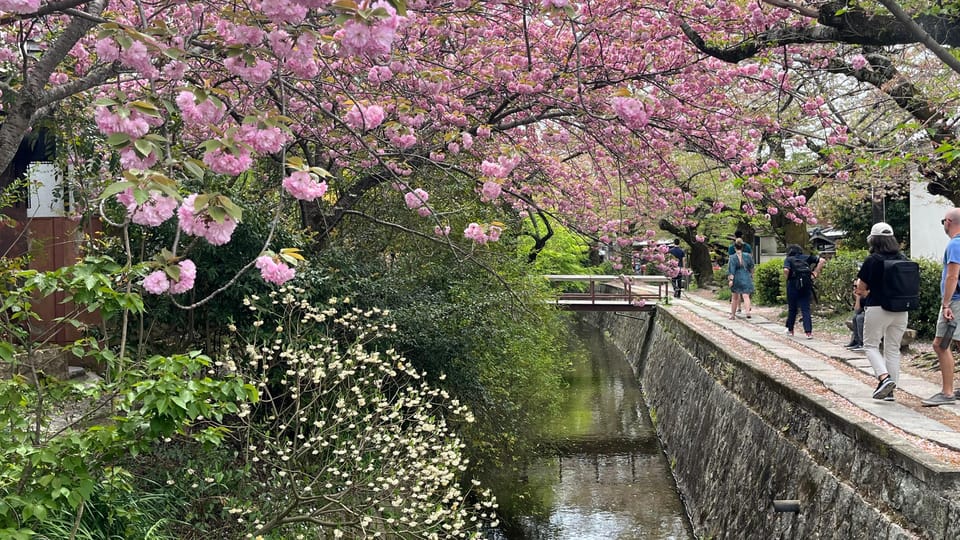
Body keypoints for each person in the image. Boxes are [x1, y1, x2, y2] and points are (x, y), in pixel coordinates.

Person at [856, 222, 908, 401]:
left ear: (873, 240)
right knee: (892, 348)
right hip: (901, 310)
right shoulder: (903, 258)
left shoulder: (873, 260)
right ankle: (890, 392)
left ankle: (884, 379)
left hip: (878, 307)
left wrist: (863, 292)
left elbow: (861, 288)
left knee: (870, 345)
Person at [922, 208, 960, 406]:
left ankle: (947, 392)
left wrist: (946, 303)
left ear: (948, 222)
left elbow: (953, 275)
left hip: (956, 300)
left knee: (940, 344)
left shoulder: (955, 244)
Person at [783, 244, 825, 339]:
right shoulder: (807, 257)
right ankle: (808, 332)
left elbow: (786, 270)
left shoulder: (789, 259)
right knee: (805, 309)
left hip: (793, 284)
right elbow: (822, 260)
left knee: (792, 308)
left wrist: (788, 278)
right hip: (806, 284)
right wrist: (815, 272)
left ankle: (790, 330)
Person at [727, 238, 755, 319]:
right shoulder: (748, 256)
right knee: (746, 295)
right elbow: (752, 267)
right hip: (746, 276)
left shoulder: (732, 257)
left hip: (736, 277)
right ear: (742, 247)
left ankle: (733, 315)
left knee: (735, 297)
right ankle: (748, 312)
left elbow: (731, 270)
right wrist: (752, 275)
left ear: (735, 248)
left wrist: (731, 280)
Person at [845, 278, 866, 352]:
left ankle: (863, 342)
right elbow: (857, 310)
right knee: (855, 317)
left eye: (856, 286)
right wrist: (858, 297)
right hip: (866, 313)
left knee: (859, 318)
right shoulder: (861, 296)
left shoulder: (868, 293)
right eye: (854, 286)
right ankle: (856, 341)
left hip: (874, 314)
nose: (855, 289)